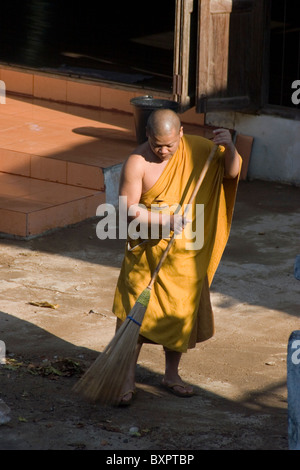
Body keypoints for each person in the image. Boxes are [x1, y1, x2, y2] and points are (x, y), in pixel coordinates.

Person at [112, 108, 241, 405]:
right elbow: (127, 208)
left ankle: (171, 374)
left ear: (181, 134)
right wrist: (165, 221)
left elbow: (232, 172)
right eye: (158, 144)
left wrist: (230, 147)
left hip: (184, 254)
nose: (164, 150)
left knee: (179, 312)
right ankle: (126, 378)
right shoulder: (137, 163)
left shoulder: (198, 150)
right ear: (147, 135)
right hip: (145, 250)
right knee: (133, 315)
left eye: (170, 144)